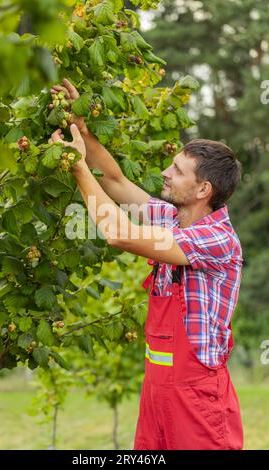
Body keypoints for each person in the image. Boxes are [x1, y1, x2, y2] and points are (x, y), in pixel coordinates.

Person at [49, 79, 244, 450]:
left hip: (197, 400)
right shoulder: (172, 218)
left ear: (204, 190)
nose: (166, 174)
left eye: (177, 171)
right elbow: (116, 180)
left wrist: (76, 168)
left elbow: (118, 233)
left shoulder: (216, 239)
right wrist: (81, 129)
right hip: (156, 393)